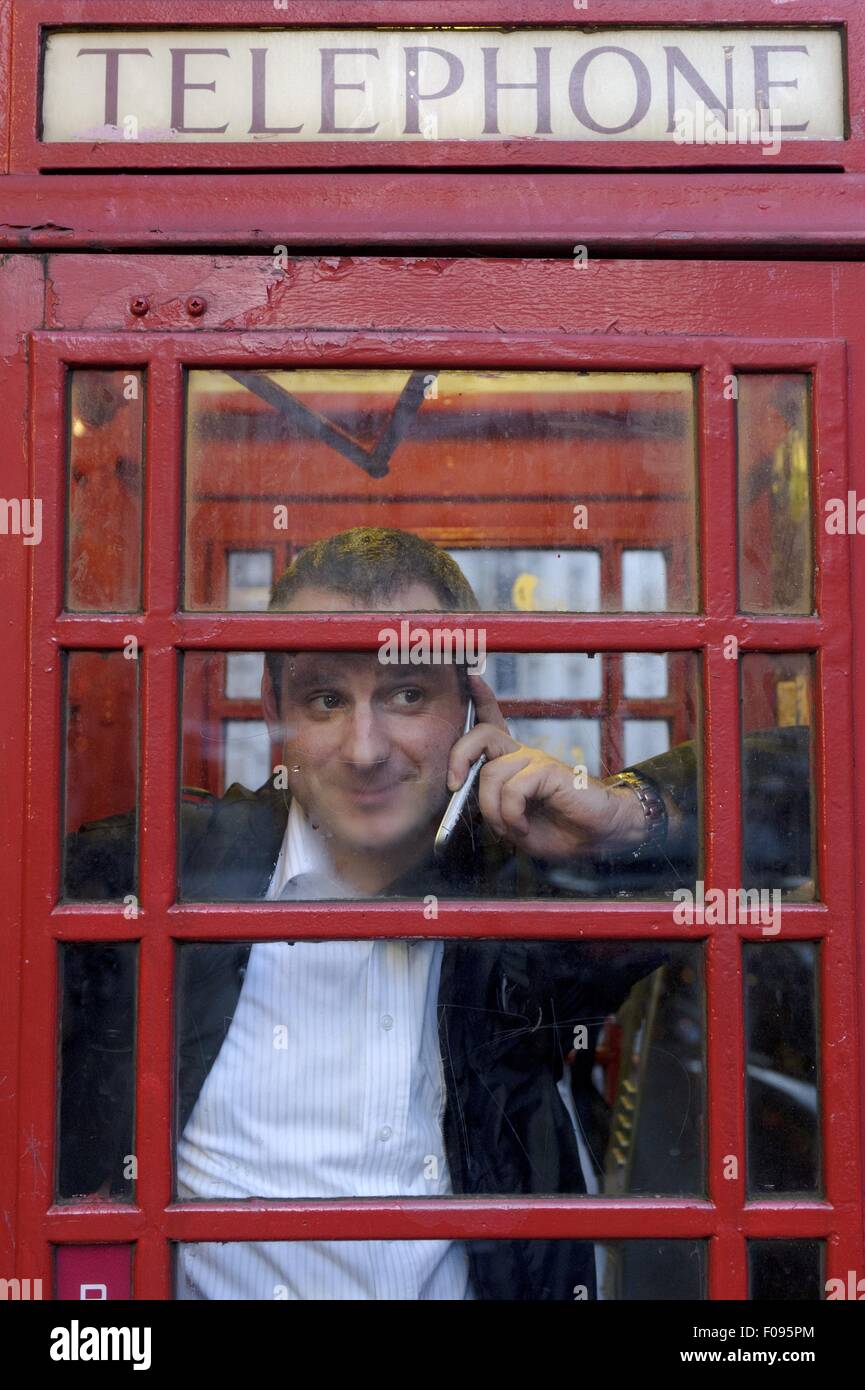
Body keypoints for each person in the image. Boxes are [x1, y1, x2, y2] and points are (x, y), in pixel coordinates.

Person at [62, 527, 809, 1300]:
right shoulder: (152, 873)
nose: (364, 748)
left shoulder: (525, 891)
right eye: (325, 699)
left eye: (407, 694)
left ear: (470, 706)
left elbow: (826, 784)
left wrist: (624, 815)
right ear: (271, 711)